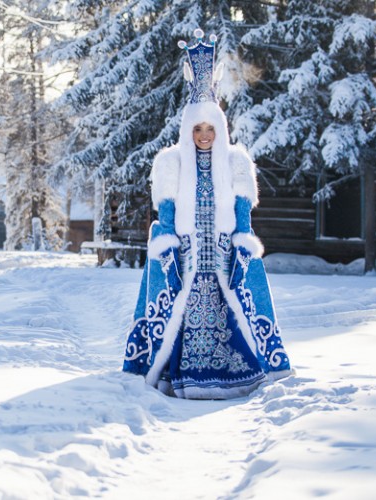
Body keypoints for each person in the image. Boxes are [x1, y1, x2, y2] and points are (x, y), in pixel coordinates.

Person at [122, 29, 292, 399]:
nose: (203, 135)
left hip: (222, 254)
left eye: (209, 128)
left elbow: (243, 213)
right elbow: (165, 213)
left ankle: (238, 375)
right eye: (196, 128)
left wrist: (243, 242)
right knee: (183, 320)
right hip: (186, 256)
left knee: (229, 316)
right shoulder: (171, 163)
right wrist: (166, 244)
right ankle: (182, 377)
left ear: (220, 128)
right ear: (187, 129)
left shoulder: (236, 162)